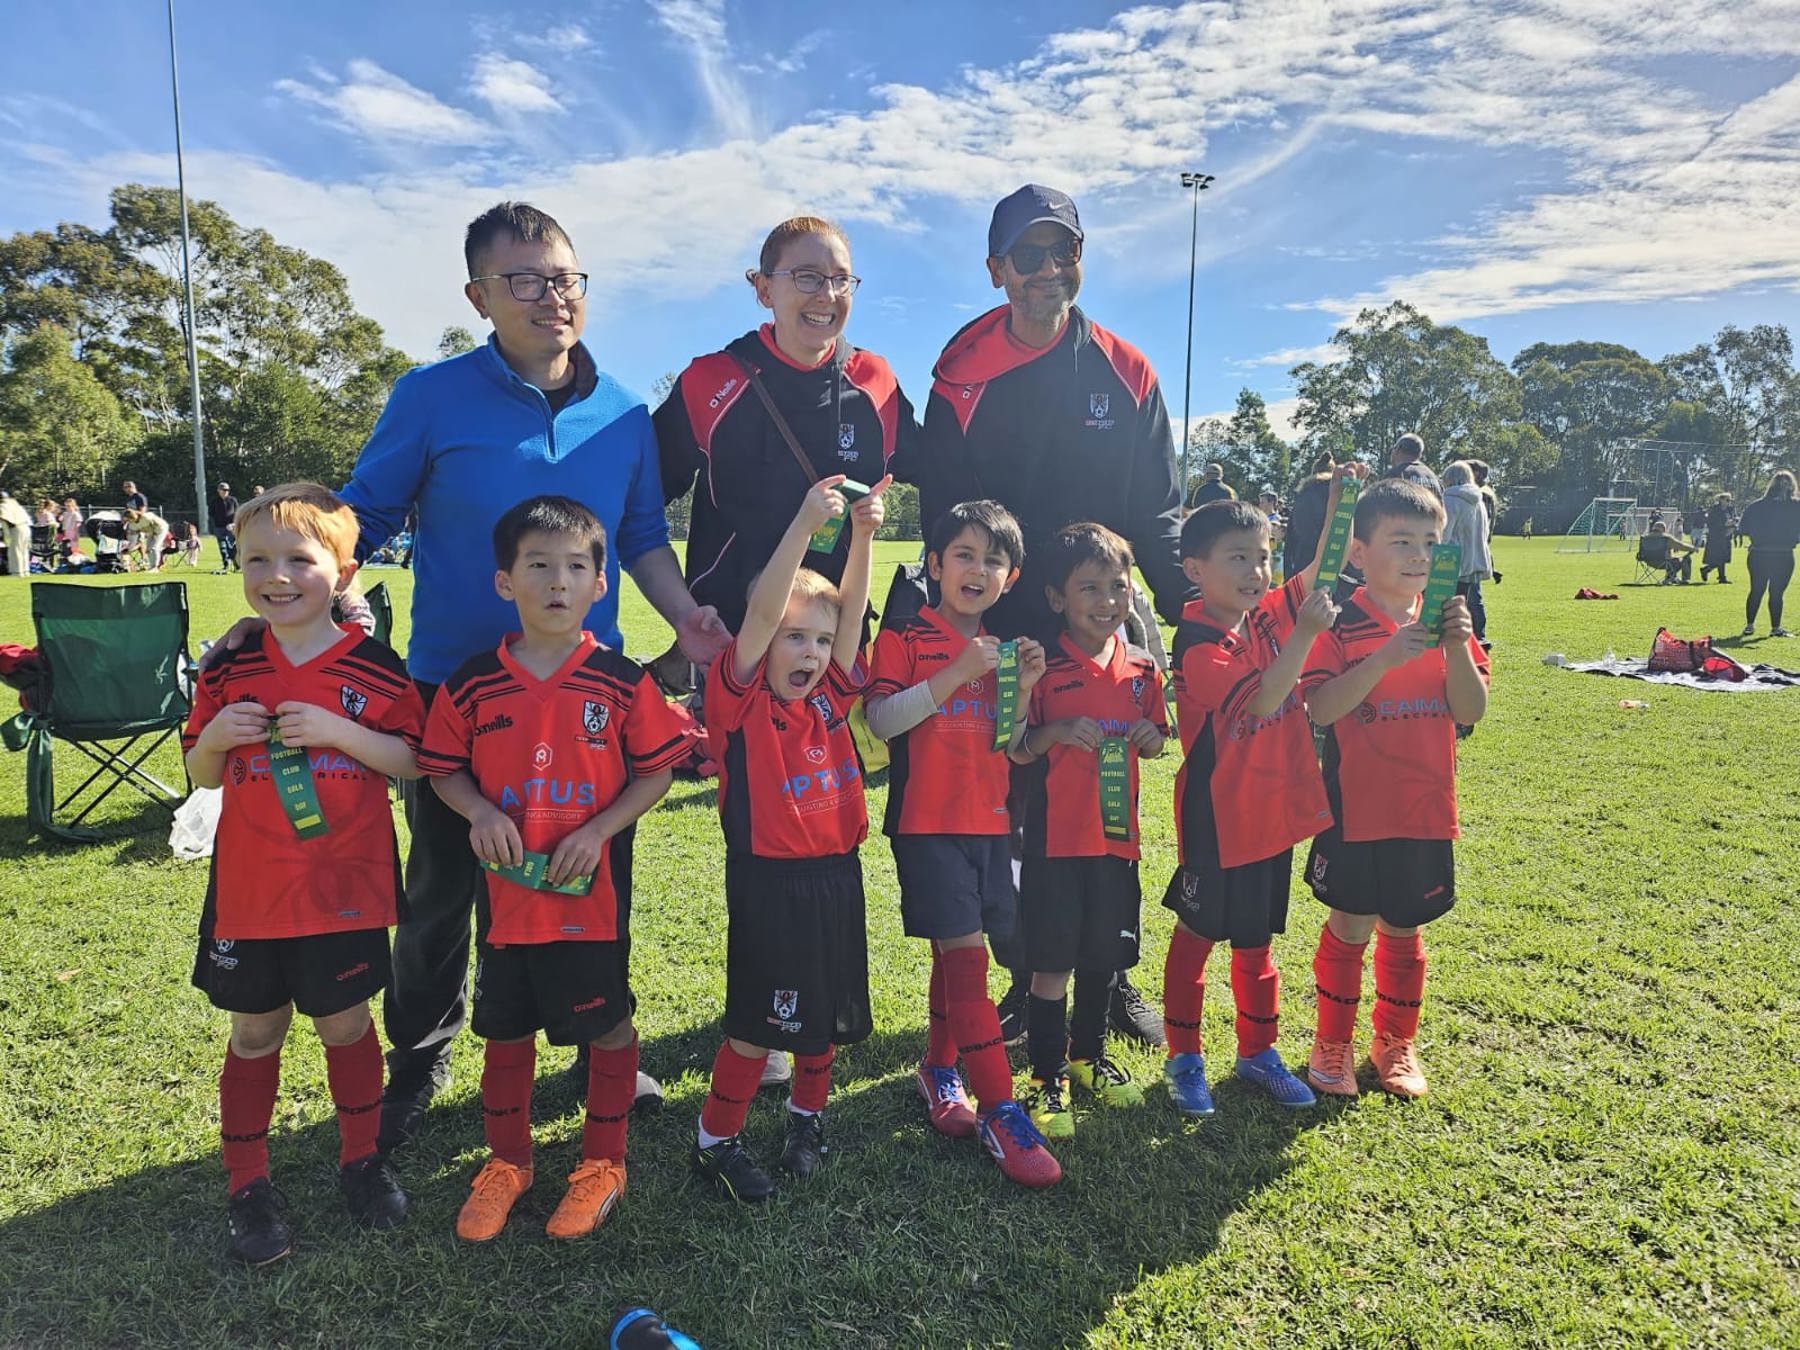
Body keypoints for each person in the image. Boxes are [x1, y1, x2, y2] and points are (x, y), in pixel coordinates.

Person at [263, 201, 731, 1150]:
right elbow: (369, 511)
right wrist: (316, 585)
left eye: (565, 278)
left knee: (588, 877)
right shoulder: (429, 395)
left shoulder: (626, 412)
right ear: (479, 295)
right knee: (442, 886)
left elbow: (640, 535)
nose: (551, 297)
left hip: (587, 701)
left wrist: (684, 614)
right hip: (453, 695)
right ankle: (423, 1052)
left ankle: (597, 1044)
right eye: (523, 281)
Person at [900, 182, 1190, 1049]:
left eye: (1064, 251)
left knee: (1111, 800)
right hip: (1009, 632)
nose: (1048, 270)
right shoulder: (962, 366)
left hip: (1105, 622)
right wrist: (970, 624)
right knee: (1020, 807)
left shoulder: (1127, 367)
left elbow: (1160, 508)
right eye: (1028, 256)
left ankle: (1111, 974)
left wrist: (1186, 613)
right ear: (997, 271)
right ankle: (1034, 978)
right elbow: (948, 510)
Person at [417, 497, 688, 1242]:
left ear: (602, 585)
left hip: (590, 904)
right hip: (507, 907)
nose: (557, 582)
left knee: (606, 1025)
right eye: (538, 565)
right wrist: (479, 812)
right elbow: (441, 769)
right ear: (506, 582)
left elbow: (657, 772)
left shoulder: (622, 681)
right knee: (505, 1033)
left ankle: (604, 1163)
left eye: (576, 567)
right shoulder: (472, 683)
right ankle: (508, 1163)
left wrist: (601, 829)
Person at [181, 483, 424, 1266]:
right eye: (257, 560)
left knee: (346, 1022)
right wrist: (214, 734)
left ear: (344, 569)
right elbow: (202, 774)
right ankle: (247, 1186)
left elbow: (414, 759)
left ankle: (363, 1162)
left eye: (299, 559)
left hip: (342, 886)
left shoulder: (377, 670)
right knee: (256, 1030)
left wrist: (339, 731)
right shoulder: (229, 666)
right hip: (251, 891)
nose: (276, 577)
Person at [690, 474, 888, 1202]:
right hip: (770, 882)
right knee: (756, 1026)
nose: (808, 651)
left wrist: (862, 538)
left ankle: (808, 1117)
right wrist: (807, 523)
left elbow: (854, 613)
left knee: (825, 1016)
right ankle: (716, 1138)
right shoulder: (739, 702)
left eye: (819, 639)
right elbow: (767, 605)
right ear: (761, 643)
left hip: (838, 875)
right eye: (792, 638)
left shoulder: (832, 695)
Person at [862, 499, 1061, 1188]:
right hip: (927, 825)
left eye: (994, 560)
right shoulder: (906, 638)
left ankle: (938, 1070)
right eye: (965, 555)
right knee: (969, 959)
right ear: (935, 564)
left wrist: (1024, 685)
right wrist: (953, 674)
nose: (978, 570)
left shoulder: (1006, 653)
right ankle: (1002, 1113)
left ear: (1012, 578)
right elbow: (882, 722)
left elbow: (1010, 746)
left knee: (961, 949)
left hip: (990, 824)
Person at [1160, 470, 1359, 1119]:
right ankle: (1184, 1061)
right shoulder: (1196, 645)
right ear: (1195, 567)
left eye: (1264, 557)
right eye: (1237, 558)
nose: (1256, 571)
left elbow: (1324, 570)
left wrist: (1340, 504)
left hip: (1271, 811)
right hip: (1218, 816)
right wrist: (1303, 635)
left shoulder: (1267, 615)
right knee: (1196, 939)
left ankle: (1257, 1054)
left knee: (1257, 943)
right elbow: (1271, 697)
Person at [1301, 479, 1490, 1099]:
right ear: (1359, 554)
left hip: (1425, 812)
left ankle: (1395, 1043)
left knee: (1405, 930)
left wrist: (1458, 647)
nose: (1418, 555)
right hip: (1355, 813)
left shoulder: (1446, 623)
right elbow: (1322, 709)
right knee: (1350, 925)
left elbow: (1470, 711)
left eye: (1430, 543)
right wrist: (1382, 658)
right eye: (1401, 540)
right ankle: (1332, 1042)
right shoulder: (1340, 623)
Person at [656, 215, 913, 640]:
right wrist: (685, 615)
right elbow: (637, 508)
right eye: (808, 278)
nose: (827, 295)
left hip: (834, 650)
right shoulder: (709, 382)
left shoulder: (875, 381)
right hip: (730, 646)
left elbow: (944, 473)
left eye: (841, 280)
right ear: (763, 289)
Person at [1007, 523, 1169, 1140]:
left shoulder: (1142, 667)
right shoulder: (1042, 668)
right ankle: (1048, 1075)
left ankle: (1087, 1056)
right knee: (1052, 967)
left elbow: (1154, 738)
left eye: (1117, 587)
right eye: (1089, 589)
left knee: (1102, 960)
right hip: (1054, 845)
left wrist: (1151, 740)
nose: (1107, 601)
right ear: (1057, 600)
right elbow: (1017, 750)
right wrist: (1051, 733)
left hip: (1116, 845)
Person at [1738, 470, 1800, 637]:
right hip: (1783, 554)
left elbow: (1743, 528)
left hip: (1759, 553)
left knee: (1756, 590)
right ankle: (1775, 627)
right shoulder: (1796, 506)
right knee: (1776, 592)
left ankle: (1750, 625)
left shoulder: (1756, 505)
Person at [1440, 461, 1493, 643]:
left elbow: (1444, 533)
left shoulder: (1450, 500)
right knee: (1467, 604)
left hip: (1453, 562)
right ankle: (1474, 639)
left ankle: (1452, 641)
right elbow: (1484, 533)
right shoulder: (1479, 501)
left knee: (1448, 607)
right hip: (1474, 561)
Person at [1282, 453, 1336, 579]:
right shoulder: (1343, 496)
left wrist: (1288, 575)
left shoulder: (1305, 495)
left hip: (1305, 563)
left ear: (1313, 471)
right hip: (1337, 565)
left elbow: (1292, 538)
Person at [1385, 433, 1442, 500]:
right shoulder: (1434, 477)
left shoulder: (1394, 475)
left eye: (1393, 449)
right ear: (1420, 455)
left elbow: (1383, 505)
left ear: (1398, 449)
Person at [1637, 520, 1694, 584]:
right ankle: (1684, 580)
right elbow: (1681, 546)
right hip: (1664, 562)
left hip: (1649, 562)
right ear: (1663, 529)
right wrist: (1693, 548)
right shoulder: (1665, 538)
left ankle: (1671, 577)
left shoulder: (1644, 538)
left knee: (1671, 560)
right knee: (1685, 559)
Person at [123, 504, 169, 571]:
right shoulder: (132, 525)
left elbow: (158, 525)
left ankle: (155, 568)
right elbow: (133, 539)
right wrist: (129, 548)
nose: (128, 521)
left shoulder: (146, 517)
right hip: (151, 532)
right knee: (148, 549)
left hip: (161, 529)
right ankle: (151, 567)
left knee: (153, 548)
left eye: (128, 519)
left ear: (132, 517)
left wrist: (154, 534)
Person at [1699, 495, 1733, 583]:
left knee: (1723, 558)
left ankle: (1718, 576)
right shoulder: (1715, 511)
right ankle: (1708, 570)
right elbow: (1711, 524)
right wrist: (1724, 525)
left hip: (1725, 537)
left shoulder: (1729, 510)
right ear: (1721, 500)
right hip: (1716, 537)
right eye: (1727, 500)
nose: (1729, 502)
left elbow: (1731, 520)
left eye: (1730, 500)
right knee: (1719, 557)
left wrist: (1733, 524)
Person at [209, 481, 241, 572]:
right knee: (222, 547)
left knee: (231, 547)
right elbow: (211, 513)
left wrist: (233, 524)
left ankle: (236, 564)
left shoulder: (232, 500)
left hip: (231, 528)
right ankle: (225, 564)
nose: (225, 491)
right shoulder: (214, 501)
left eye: (227, 490)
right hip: (219, 527)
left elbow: (237, 512)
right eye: (223, 490)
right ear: (219, 490)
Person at [0, 492, 31, 576]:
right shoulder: (15, 504)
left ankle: (17, 572)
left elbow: (6, 519)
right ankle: (25, 571)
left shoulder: (3, 506)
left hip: (16, 528)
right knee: (23, 550)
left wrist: (5, 536)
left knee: (15, 550)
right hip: (26, 527)